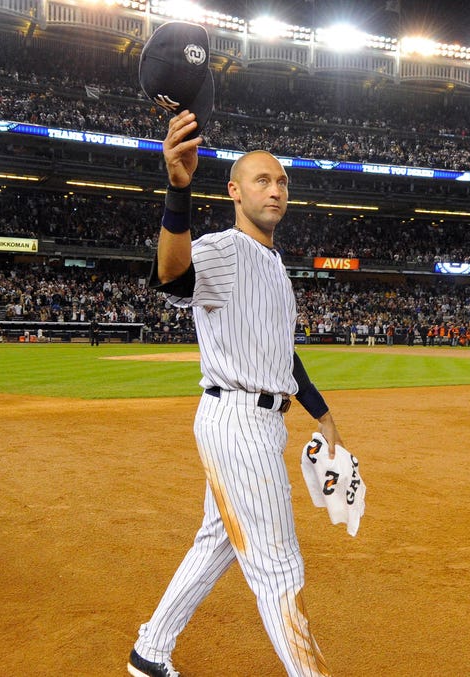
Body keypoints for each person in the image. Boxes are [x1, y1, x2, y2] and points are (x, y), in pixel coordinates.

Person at [128, 111, 344, 677]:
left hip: (259, 420)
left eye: (282, 182)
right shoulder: (224, 249)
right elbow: (173, 274)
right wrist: (178, 190)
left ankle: (150, 649)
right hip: (238, 421)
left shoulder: (274, 264)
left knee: (218, 539)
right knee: (279, 567)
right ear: (234, 191)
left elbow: (281, 355)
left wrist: (322, 414)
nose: (275, 190)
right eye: (261, 180)